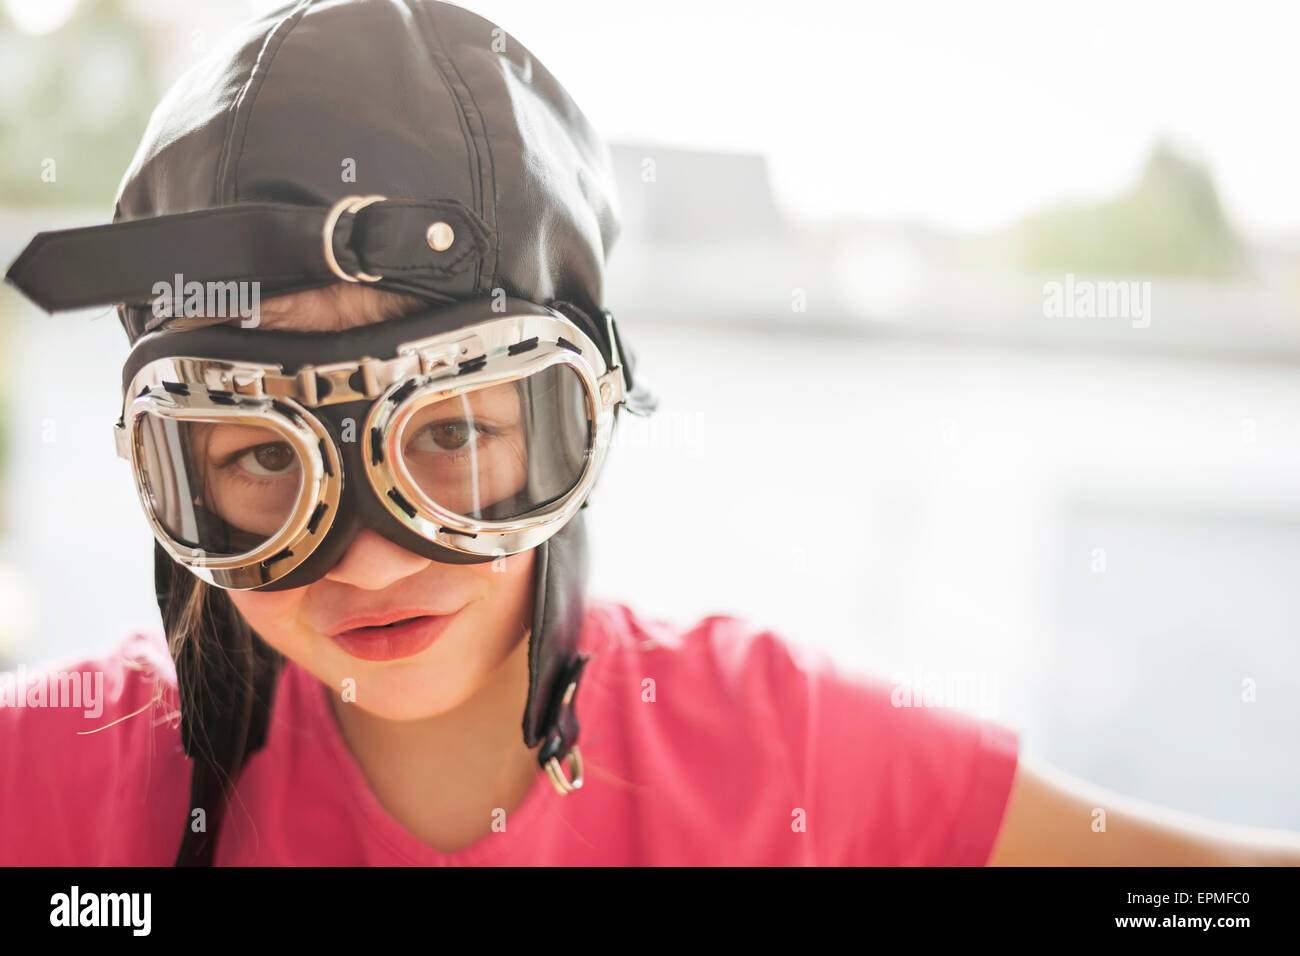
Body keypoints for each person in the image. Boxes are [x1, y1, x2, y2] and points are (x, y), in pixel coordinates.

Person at [2, 0, 1298, 866]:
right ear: (167, 477)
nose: (373, 557)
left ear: (589, 416)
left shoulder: (769, 753)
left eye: (451, 432)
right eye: (263, 458)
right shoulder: (60, 775)